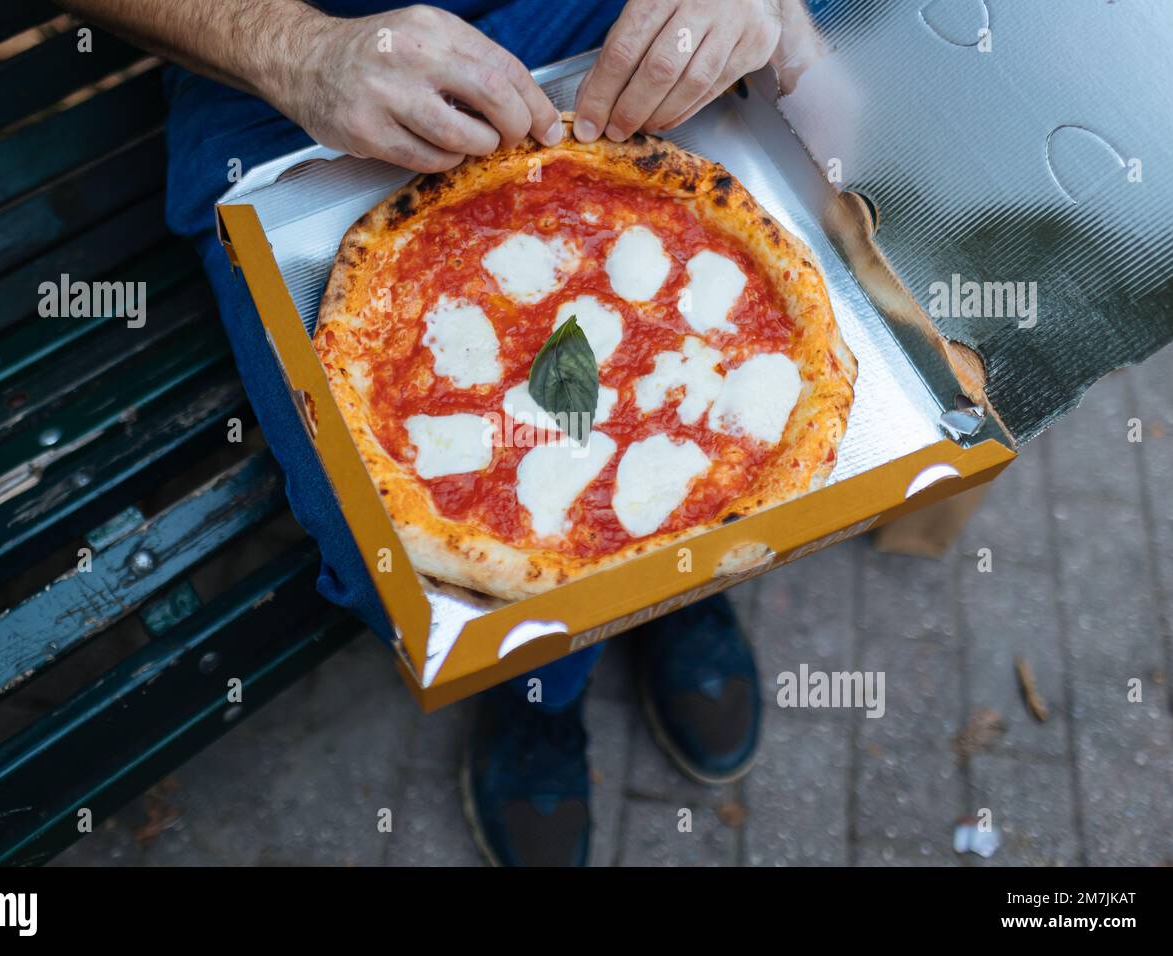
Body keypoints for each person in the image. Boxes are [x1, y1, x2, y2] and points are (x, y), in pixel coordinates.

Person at [56, 0, 822, 866]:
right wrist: (295, 50)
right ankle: (543, 688)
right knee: (376, 553)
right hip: (281, 77)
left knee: (764, 447)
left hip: (607, 23)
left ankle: (690, 534)